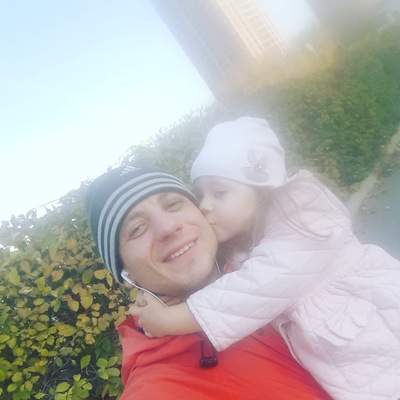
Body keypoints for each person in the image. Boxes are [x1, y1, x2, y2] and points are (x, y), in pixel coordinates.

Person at [129, 117, 400, 400]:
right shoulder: (247, 241)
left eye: (219, 193)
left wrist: (171, 319)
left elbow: (258, 285)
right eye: (201, 195)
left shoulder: (301, 213)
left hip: (378, 333)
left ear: (260, 188)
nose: (205, 206)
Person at [85, 164, 331, 400]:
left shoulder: (275, 250)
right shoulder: (160, 384)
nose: (168, 227)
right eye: (137, 228)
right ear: (127, 275)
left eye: (173, 204)